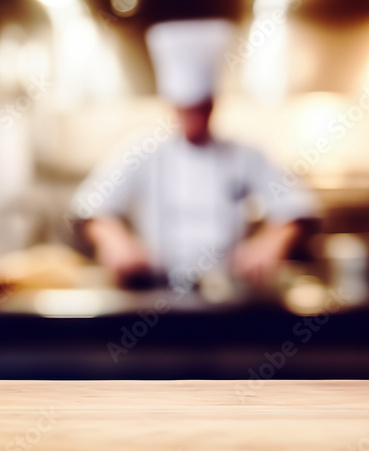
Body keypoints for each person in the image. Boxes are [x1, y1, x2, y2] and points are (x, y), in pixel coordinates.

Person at [70, 19, 316, 289]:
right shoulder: (141, 152)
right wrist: (115, 241)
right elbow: (92, 205)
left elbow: (297, 206)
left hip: (227, 291)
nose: (194, 121)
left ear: (213, 105)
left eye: (201, 109)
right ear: (171, 106)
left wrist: (271, 242)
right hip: (154, 289)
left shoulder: (245, 155)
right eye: (186, 111)